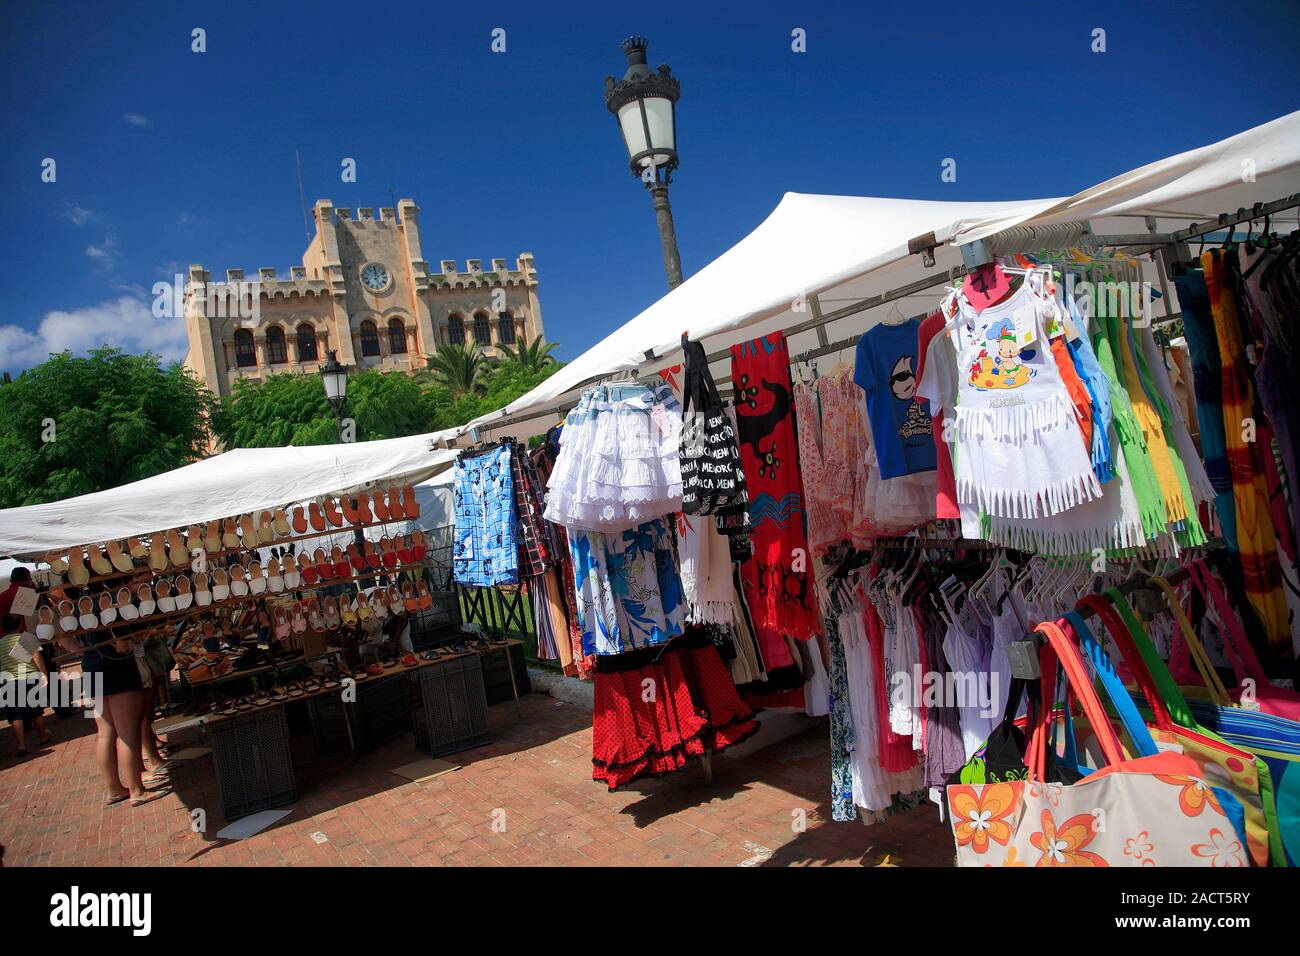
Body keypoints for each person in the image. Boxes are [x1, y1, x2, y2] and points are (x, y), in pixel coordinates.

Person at [79, 625, 158, 806]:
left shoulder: (66, 605)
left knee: (105, 733)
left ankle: (114, 789)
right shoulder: (106, 598)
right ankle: (136, 790)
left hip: (91, 665)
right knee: (127, 732)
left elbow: (65, 641)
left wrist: (89, 652)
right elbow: (123, 643)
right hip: (116, 666)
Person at [1, 614, 52, 756]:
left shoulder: (0, 644)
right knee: (36, 709)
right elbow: (36, 657)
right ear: (20, 624)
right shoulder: (26, 638)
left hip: (8, 681)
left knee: (15, 714)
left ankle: (21, 745)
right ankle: (42, 736)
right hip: (29, 677)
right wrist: (43, 673)